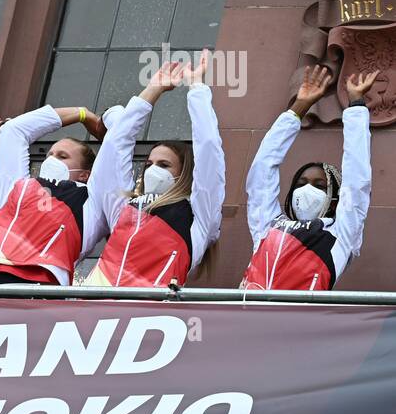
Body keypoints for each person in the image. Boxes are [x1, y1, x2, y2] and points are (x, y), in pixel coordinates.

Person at [80, 51, 225, 288]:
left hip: (150, 307)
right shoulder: (123, 207)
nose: (152, 170)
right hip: (92, 304)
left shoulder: (198, 217)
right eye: (148, 164)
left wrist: (197, 88)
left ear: (184, 175)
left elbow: (209, 149)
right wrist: (152, 90)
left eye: (164, 165)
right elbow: (115, 145)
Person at [240, 66, 375, 291]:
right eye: (301, 184)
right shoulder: (267, 225)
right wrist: (299, 107)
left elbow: (357, 179)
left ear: (335, 199)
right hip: (246, 311)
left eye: (319, 186)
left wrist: (356, 107)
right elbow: (262, 169)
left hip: (301, 314)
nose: (307, 189)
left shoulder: (341, 233)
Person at [0, 104, 111, 285]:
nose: (52, 160)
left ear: (85, 174)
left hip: (38, 289)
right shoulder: (19, 187)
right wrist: (82, 114)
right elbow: (13, 130)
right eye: (49, 155)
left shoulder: (92, 204)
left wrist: (109, 129)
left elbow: (117, 150)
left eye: (62, 156)